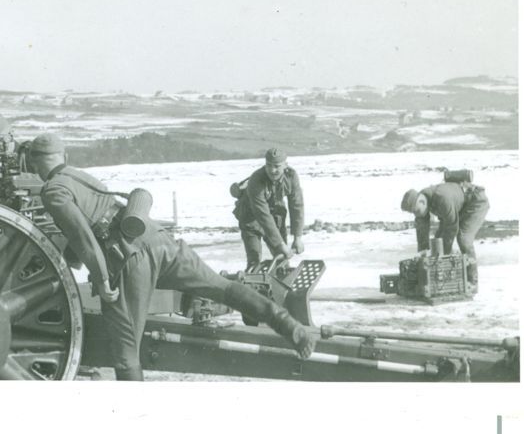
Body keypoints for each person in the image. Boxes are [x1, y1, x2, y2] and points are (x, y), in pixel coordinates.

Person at [29, 133, 315, 380]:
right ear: (64, 156)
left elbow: (83, 237)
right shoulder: (79, 175)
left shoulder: (53, 190)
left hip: (129, 260)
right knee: (222, 288)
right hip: (159, 240)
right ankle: (290, 326)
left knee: (125, 355)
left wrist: (102, 280)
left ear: (35, 162)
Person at [400, 181, 490, 283]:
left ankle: (472, 278)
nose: (416, 214)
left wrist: (443, 256)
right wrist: (423, 250)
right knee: (438, 241)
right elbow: (422, 224)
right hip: (459, 206)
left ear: (422, 202)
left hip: (476, 203)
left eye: (416, 211)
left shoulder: (442, 198)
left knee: (463, 238)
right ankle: (445, 275)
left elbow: (452, 228)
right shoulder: (421, 200)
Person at [232, 148, 305, 270]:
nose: (272, 170)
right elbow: (262, 214)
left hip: (274, 215)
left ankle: (281, 280)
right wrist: (280, 243)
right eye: (269, 165)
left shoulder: (291, 176)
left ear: (285, 165)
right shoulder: (256, 179)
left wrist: (297, 237)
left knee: (282, 262)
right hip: (250, 218)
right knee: (254, 263)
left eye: (277, 166)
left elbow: (297, 206)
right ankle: (253, 279)